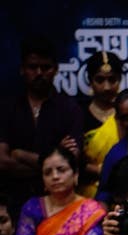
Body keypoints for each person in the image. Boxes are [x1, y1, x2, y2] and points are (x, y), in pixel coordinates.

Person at [0, 37, 83, 209]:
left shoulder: (69, 109)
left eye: (45, 67)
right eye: (32, 67)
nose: (39, 73)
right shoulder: (7, 108)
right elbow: (2, 161)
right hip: (10, 202)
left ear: (56, 69)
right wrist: (52, 161)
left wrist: (21, 154)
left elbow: (71, 162)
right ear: (22, 69)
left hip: (58, 204)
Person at [81, 51, 123, 197]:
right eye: (100, 80)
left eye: (112, 80)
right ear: (90, 80)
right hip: (86, 194)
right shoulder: (78, 115)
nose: (106, 87)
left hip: (123, 189)